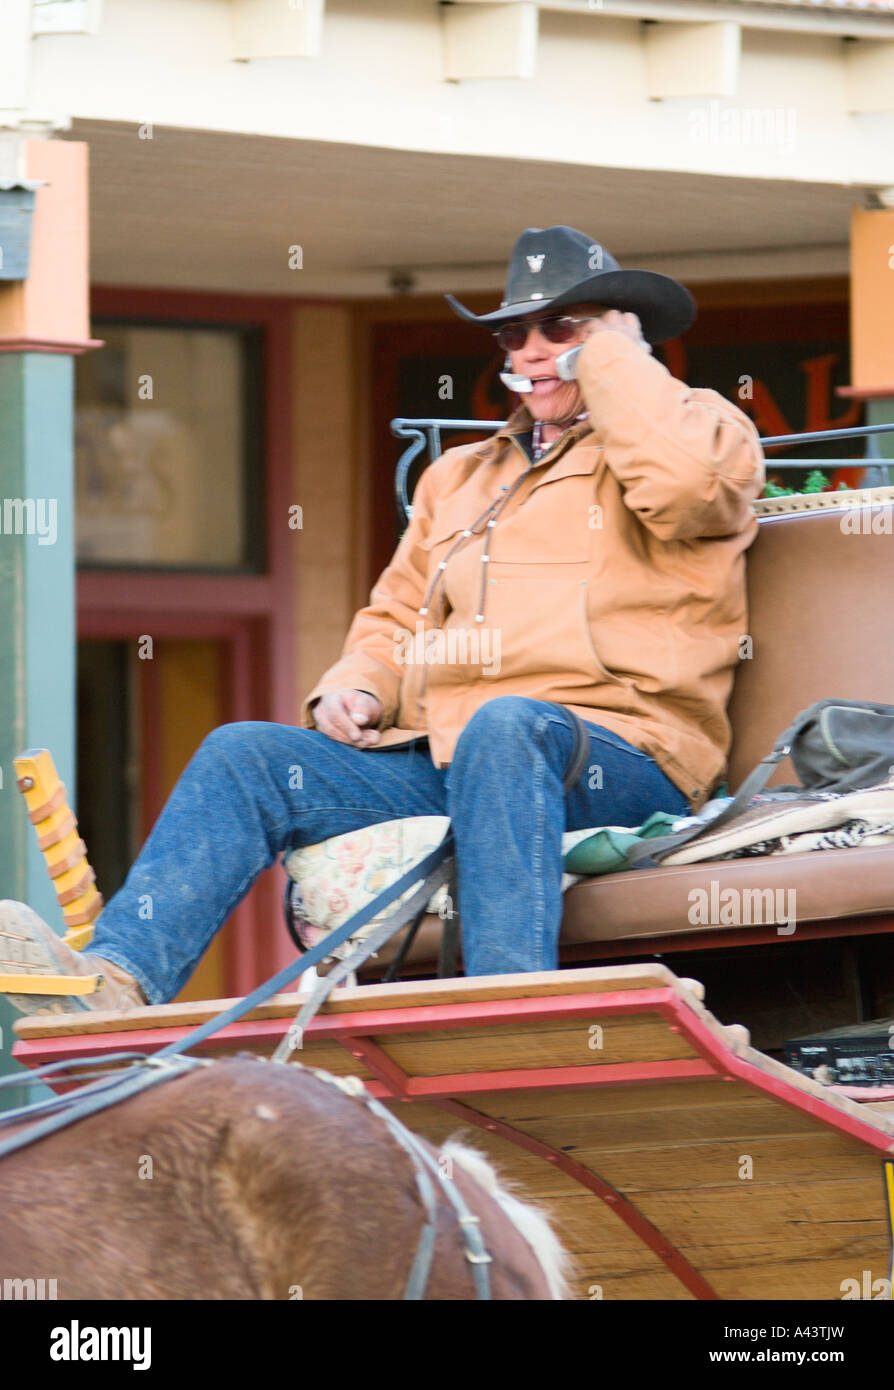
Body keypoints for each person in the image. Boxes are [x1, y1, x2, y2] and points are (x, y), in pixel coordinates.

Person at [0, 225, 764, 1017]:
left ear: (618, 335)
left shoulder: (701, 431)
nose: (534, 349)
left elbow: (692, 491)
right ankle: (120, 980)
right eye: (515, 333)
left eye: (561, 328)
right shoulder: (461, 475)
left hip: (622, 756)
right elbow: (396, 613)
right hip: (463, 750)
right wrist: (358, 684)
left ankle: (510, 1012)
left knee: (505, 730)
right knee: (248, 753)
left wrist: (612, 361)